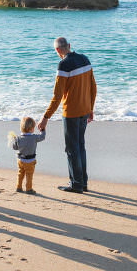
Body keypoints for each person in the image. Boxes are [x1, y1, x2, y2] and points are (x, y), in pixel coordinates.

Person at [38, 37, 96, 194]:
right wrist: (91, 108)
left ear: (57, 50)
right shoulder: (85, 59)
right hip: (85, 109)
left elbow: (57, 96)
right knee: (80, 145)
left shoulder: (63, 65)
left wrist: (45, 118)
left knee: (72, 149)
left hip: (71, 112)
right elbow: (93, 86)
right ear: (69, 46)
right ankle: (83, 182)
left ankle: (76, 184)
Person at [10, 117, 46, 194]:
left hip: (20, 160)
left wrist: (14, 141)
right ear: (32, 129)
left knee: (20, 173)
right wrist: (43, 130)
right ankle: (29, 189)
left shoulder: (18, 138)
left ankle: (18, 187)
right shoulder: (34, 137)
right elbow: (42, 137)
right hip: (30, 161)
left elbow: (15, 147)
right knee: (29, 175)